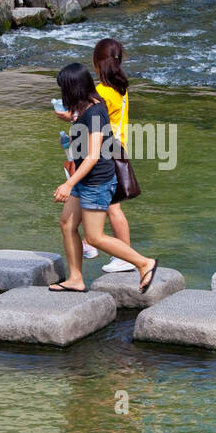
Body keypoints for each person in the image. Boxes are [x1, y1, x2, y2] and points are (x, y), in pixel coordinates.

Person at [50, 62, 157, 294]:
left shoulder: (96, 111)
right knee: (67, 224)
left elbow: (94, 156)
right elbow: (84, 146)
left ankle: (144, 263)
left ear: (74, 88)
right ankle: (76, 279)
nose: (62, 94)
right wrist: (69, 144)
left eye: (64, 89)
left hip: (96, 181)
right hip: (83, 179)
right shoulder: (83, 108)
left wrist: (69, 183)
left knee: (95, 237)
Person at [92, 37, 135, 273]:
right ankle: (91, 243)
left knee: (111, 206)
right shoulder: (121, 86)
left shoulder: (100, 91)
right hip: (119, 148)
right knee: (109, 204)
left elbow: (92, 122)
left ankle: (125, 255)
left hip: (105, 152)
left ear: (97, 63)